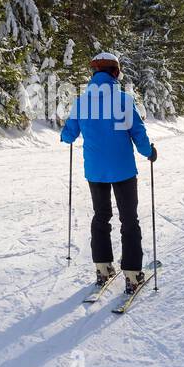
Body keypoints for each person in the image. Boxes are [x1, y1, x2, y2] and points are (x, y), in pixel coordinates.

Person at [60, 53, 158, 294]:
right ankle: (133, 274)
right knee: (129, 219)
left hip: (95, 171)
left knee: (101, 217)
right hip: (123, 169)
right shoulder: (124, 100)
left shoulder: (82, 102)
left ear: (95, 73)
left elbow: (68, 135)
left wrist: (67, 135)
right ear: (115, 73)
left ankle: (103, 268)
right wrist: (149, 151)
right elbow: (138, 132)